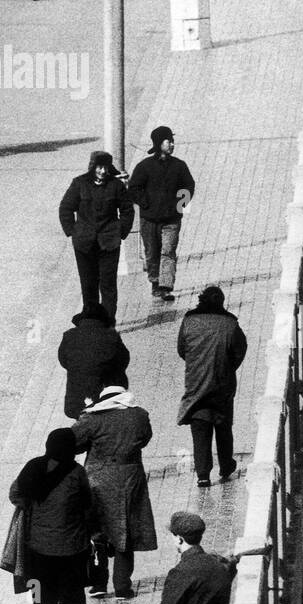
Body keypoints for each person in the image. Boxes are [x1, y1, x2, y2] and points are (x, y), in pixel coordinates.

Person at [9, 427, 99, 604]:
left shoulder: (33, 467)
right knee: (74, 601)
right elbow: (87, 505)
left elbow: (14, 494)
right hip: (70, 550)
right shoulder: (76, 472)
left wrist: (34, 508)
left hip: (35, 552)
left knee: (42, 599)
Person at [72, 378, 157, 599]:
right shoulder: (140, 414)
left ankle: (98, 584)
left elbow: (74, 443)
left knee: (96, 530)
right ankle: (122, 586)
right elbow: (144, 439)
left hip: (97, 478)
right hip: (130, 477)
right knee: (125, 531)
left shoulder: (91, 417)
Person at [176, 285, 247, 489]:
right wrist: (226, 367)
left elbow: (182, 349)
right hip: (222, 384)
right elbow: (239, 350)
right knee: (223, 427)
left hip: (196, 383)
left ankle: (203, 474)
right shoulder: (230, 324)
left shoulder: (189, 321)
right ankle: (226, 466)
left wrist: (196, 364)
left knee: (200, 429)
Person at [59, 152, 134, 325]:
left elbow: (127, 210)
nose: (102, 171)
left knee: (108, 286)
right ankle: (91, 323)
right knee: (88, 284)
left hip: (109, 243)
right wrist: (73, 231)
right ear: (93, 167)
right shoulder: (79, 184)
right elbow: (66, 208)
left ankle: (108, 324)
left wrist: (120, 231)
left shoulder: (116, 186)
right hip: (84, 244)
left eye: (105, 168)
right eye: (99, 167)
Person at [127, 125, 196, 303]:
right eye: (168, 141)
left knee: (168, 251)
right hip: (149, 220)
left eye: (172, 141)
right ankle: (155, 281)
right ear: (159, 143)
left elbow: (189, 185)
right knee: (151, 252)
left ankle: (165, 286)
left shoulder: (179, 166)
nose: (172, 145)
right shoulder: (145, 166)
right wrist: (145, 204)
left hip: (171, 220)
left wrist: (180, 206)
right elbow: (134, 188)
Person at [57, 303, 130, 420]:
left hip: (77, 394)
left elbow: (63, 360)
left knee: (81, 416)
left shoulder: (69, 335)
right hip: (107, 394)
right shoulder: (112, 336)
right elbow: (123, 360)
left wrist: (79, 367)